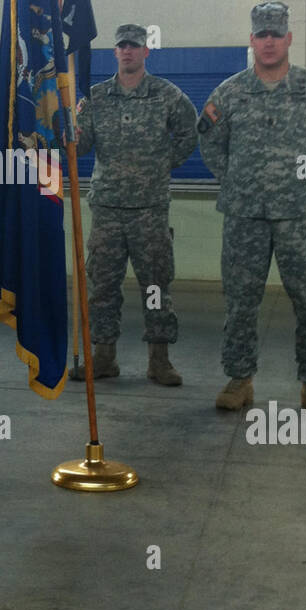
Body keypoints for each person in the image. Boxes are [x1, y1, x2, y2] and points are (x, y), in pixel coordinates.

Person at [198, 2, 306, 411]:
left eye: (275, 35)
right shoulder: (229, 93)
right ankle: (239, 380)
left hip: (300, 216)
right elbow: (210, 142)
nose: (268, 42)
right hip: (245, 214)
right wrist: (234, 180)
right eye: (261, 35)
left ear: (288, 39)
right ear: (251, 41)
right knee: (240, 300)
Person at [72, 23, 198, 385]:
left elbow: (190, 133)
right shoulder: (95, 98)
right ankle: (104, 356)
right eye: (122, 46)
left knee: (156, 286)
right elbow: (80, 147)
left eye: (135, 45)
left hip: (149, 209)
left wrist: (162, 164)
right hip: (108, 208)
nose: (128, 51)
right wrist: (63, 129)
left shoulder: (167, 95)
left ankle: (159, 360)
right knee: (102, 287)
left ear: (146, 51)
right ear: (115, 52)